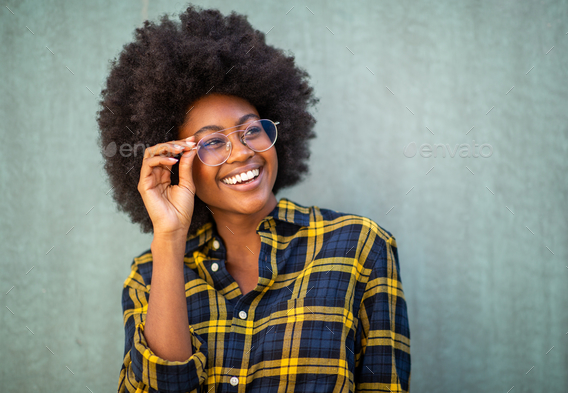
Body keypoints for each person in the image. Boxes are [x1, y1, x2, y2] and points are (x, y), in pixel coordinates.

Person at [97, 6, 410, 393]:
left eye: (252, 131)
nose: (244, 152)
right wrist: (169, 237)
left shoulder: (359, 246)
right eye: (213, 142)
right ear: (178, 164)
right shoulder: (148, 276)